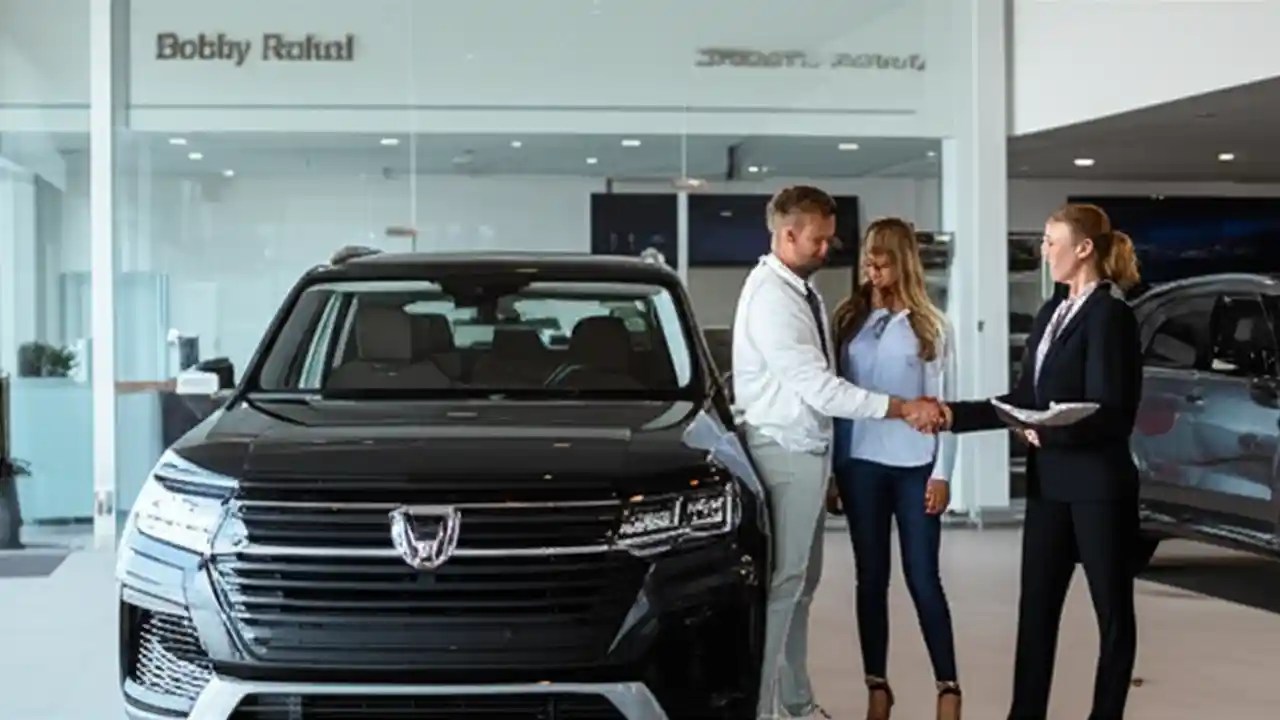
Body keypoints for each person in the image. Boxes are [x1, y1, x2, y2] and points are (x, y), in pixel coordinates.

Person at [731, 185, 942, 720]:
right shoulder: (772, 299)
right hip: (784, 452)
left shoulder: (801, 288)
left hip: (808, 454)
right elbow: (821, 388)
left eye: (830, 238)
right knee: (784, 586)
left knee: (800, 586)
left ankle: (797, 704)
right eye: (818, 241)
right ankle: (766, 710)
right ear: (787, 234)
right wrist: (902, 407)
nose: (829, 250)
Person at [936, 202, 1143, 720]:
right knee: (1036, 614)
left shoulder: (1111, 316)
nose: (1044, 249)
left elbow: (1113, 413)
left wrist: (1047, 434)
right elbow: (1025, 397)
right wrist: (949, 415)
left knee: (1112, 617)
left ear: (1084, 248)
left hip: (1098, 487)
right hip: (1049, 486)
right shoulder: (1053, 312)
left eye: (1052, 241)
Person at [830, 218, 961, 720]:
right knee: (870, 578)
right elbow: (838, 400)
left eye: (881, 257)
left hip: (914, 466)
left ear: (902, 260)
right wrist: (833, 472)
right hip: (859, 463)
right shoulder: (849, 320)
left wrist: (943, 473)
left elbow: (945, 405)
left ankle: (948, 685)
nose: (872, 266)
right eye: (867, 257)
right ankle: (877, 686)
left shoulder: (931, 325)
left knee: (923, 576)